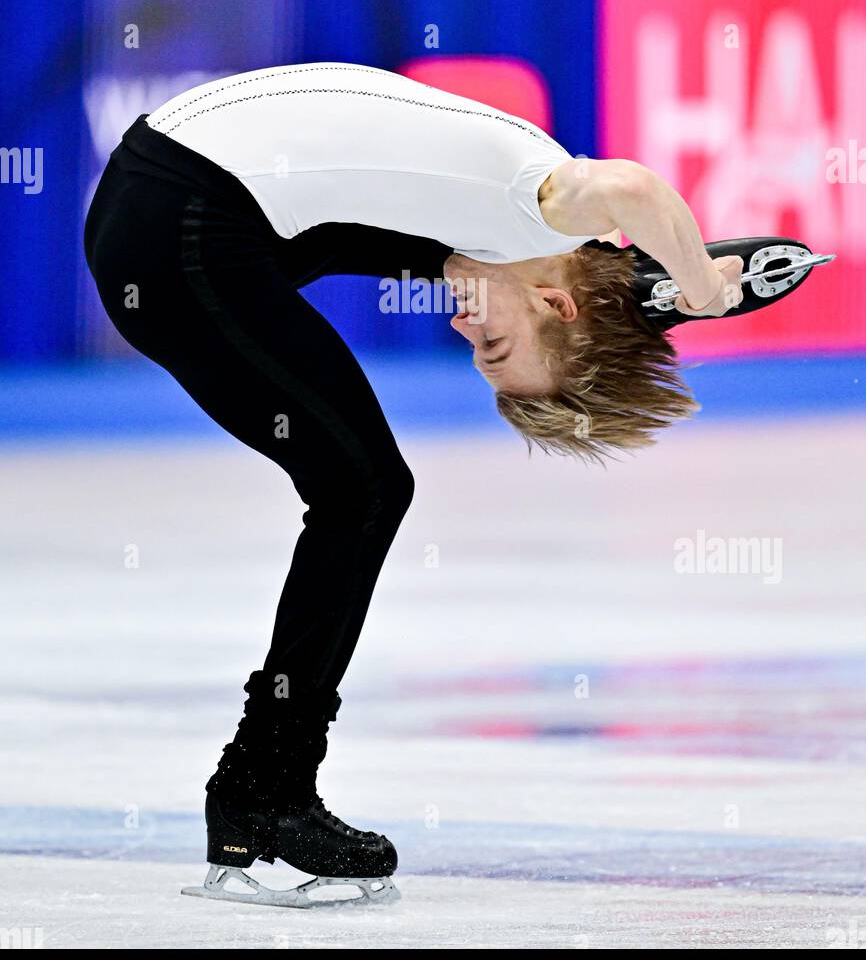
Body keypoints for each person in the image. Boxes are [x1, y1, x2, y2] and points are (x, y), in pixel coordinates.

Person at [83, 61, 743, 907]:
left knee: (380, 434)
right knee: (364, 491)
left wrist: (644, 299)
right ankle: (263, 789)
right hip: (177, 221)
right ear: (558, 303)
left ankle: (260, 794)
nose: (466, 329)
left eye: (477, 350)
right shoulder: (535, 205)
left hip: (166, 193)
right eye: (495, 347)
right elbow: (637, 190)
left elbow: (569, 265)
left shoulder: (507, 241)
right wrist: (700, 293)